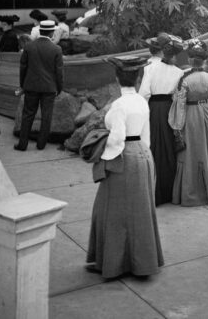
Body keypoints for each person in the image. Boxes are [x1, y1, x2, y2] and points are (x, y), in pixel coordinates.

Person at [85, 54, 164, 279]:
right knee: (140, 210)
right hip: (143, 154)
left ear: (117, 79)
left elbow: (117, 138)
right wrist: (144, 153)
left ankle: (112, 263)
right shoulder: (141, 101)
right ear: (138, 78)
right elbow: (146, 135)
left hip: (123, 157)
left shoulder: (119, 105)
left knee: (112, 210)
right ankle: (142, 263)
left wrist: (100, 148)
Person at [168, 40, 208, 206]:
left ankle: (192, 192)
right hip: (207, 114)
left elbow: (180, 105)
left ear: (189, 61)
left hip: (191, 116)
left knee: (192, 152)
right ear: (204, 61)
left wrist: (177, 127)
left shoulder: (185, 80)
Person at [138, 34, 184, 204]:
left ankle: (153, 191)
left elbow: (144, 93)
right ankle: (169, 191)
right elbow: (178, 95)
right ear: (173, 55)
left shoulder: (150, 68)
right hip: (169, 109)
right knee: (169, 148)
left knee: (154, 147)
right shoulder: (179, 72)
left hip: (153, 108)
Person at [14, 19, 63, 152]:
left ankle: (22, 144)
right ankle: (41, 145)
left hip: (31, 86)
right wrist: (59, 88)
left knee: (28, 114)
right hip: (49, 88)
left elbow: (22, 68)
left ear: (40, 31)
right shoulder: (56, 49)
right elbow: (59, 72)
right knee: (46, 116)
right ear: (52, 32)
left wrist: (23, 85)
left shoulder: (29, 47)